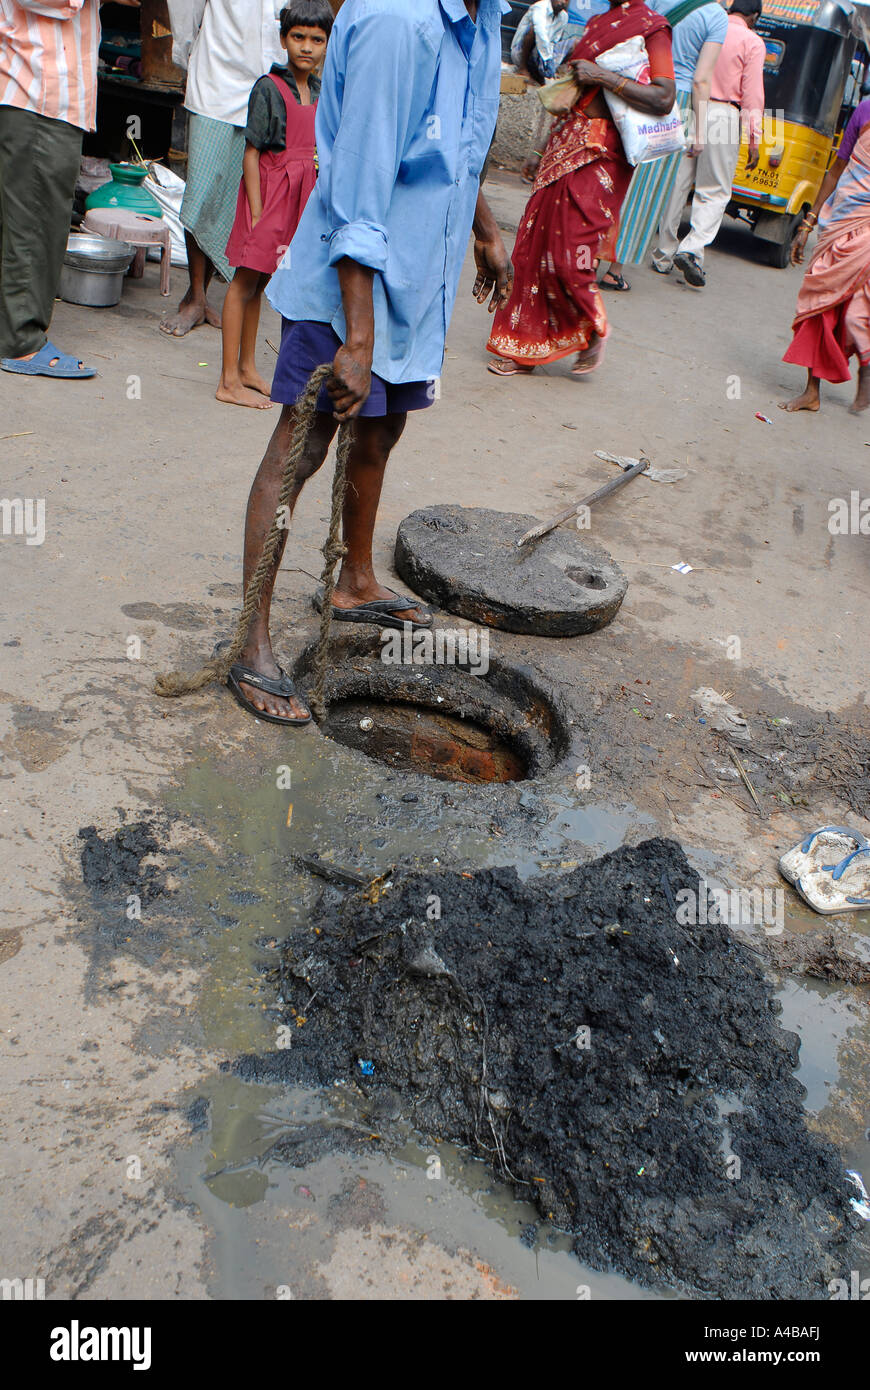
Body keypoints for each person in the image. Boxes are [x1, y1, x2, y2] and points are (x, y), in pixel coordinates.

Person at [226, 0, 512, 726]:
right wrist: (357, 339)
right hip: (350, 293)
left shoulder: (482, 21)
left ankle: (353, 581)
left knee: (381, 435)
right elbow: (359, 182)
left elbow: (454, 149)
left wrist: (485, 230)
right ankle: (250, 643)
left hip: (418, 280)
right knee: (304, 446)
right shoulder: (398, 20)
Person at [487, 0, 674, 378]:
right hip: (564, 143)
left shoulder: (653, 28)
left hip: (601, 151)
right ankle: (525, 349)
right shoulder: (597, 24)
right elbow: (569, 95)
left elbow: (663, 98)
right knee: (533, 247)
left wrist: (602, 76)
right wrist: (539, 149)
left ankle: (591, 326)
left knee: (573, 252)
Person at [0, 0, 140, 380]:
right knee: (35, 223)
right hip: (35, 91)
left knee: (31, 219)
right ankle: (20, 342)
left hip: (50, 96)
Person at [218, 1, 330, 409]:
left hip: (299, 200)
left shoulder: (318, 90)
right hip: (267, 194)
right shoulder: (268, 87)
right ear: (284, 39)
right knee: (243, 281)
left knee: (263, 282)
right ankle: (228, 380)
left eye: (316, 40)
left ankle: (248, 368)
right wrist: (256, 209)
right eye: (298, 37)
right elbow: (252, 152)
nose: (307, 47)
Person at [160, 0, 285, 337]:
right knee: (203, 187)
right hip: (216, 76)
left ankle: (226, 293)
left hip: (270, 81)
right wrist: (186, 51)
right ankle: (195, 296)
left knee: (243, 193)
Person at [602, 0, 727, 291]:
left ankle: (587, 258)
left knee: (615, 177)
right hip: (673, 101)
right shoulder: (716, 17)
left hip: (636, 87)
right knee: (645, 191)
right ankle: (614, 270)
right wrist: (698, 130)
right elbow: (701, 80)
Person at [652, 0, 765, 288]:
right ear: (754, 17)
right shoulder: (752, 42)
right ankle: (691, 249)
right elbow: (752, 95)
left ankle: (662, 254)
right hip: (724, 115)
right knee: (713, 190)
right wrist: (755, 136)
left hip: (690, 105)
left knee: (677, 184)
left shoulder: (706, 21)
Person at [779, 100, 870, 415]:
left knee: (857, 309)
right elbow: (836, 169)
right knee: (818, 301)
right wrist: (808, 222)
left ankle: (866, 365)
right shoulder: (865, 109)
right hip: (840, 220)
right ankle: (811, 392)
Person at [511, 0, 570, 84]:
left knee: (573, 44)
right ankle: (522, 68)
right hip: (520, 52)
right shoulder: (540, 7)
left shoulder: (564, 17)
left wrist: (548, 61)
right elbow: (539, 31)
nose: (563, 2)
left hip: (541, 53)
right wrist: (546, 57)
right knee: (533, 31)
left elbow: (554, 41)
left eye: (566, 0)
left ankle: (540, 73)